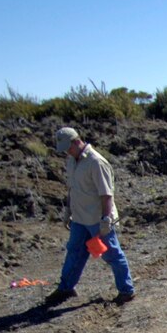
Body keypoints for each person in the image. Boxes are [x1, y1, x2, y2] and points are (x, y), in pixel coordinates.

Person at [45, 127, 136, 306]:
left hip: (97, 219)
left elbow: (106, 194)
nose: (67, 152)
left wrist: (106, 219)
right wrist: (68, 211)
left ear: (76, 142)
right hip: (79, 219)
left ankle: (126, 290)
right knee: (74, 252)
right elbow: (72, 189)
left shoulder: (96, 162)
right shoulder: (72, 161)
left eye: (68, 148)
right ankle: (66, 288)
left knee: (111, 254)